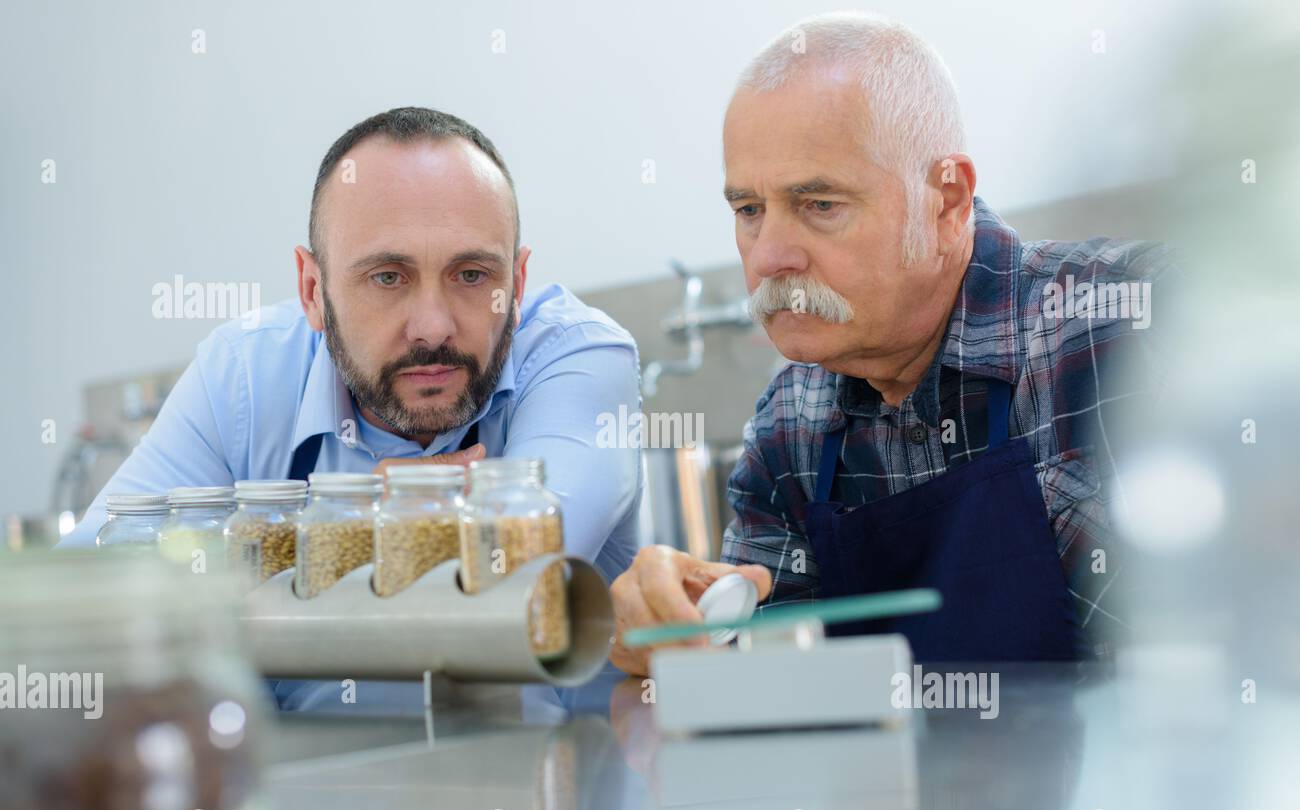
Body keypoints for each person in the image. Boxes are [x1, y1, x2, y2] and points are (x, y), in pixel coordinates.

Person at [610, 13, 1170, 676]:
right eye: (749, 210)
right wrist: (674, 639)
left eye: (819, 204)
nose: (769, 256)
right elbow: (763, 682)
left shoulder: (1129, 322)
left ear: (947, 201)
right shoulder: (789, 430)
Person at [60, 107, 644, 708]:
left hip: (546, 788)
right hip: (296, 792)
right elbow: (79, 609)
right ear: (314, 291)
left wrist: (290, 538)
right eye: (388, 277)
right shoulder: (243, 376)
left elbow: (519, 568)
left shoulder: (580, 355)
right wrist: (355, 519)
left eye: (471, 274)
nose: (432, 327)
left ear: (516, 286)